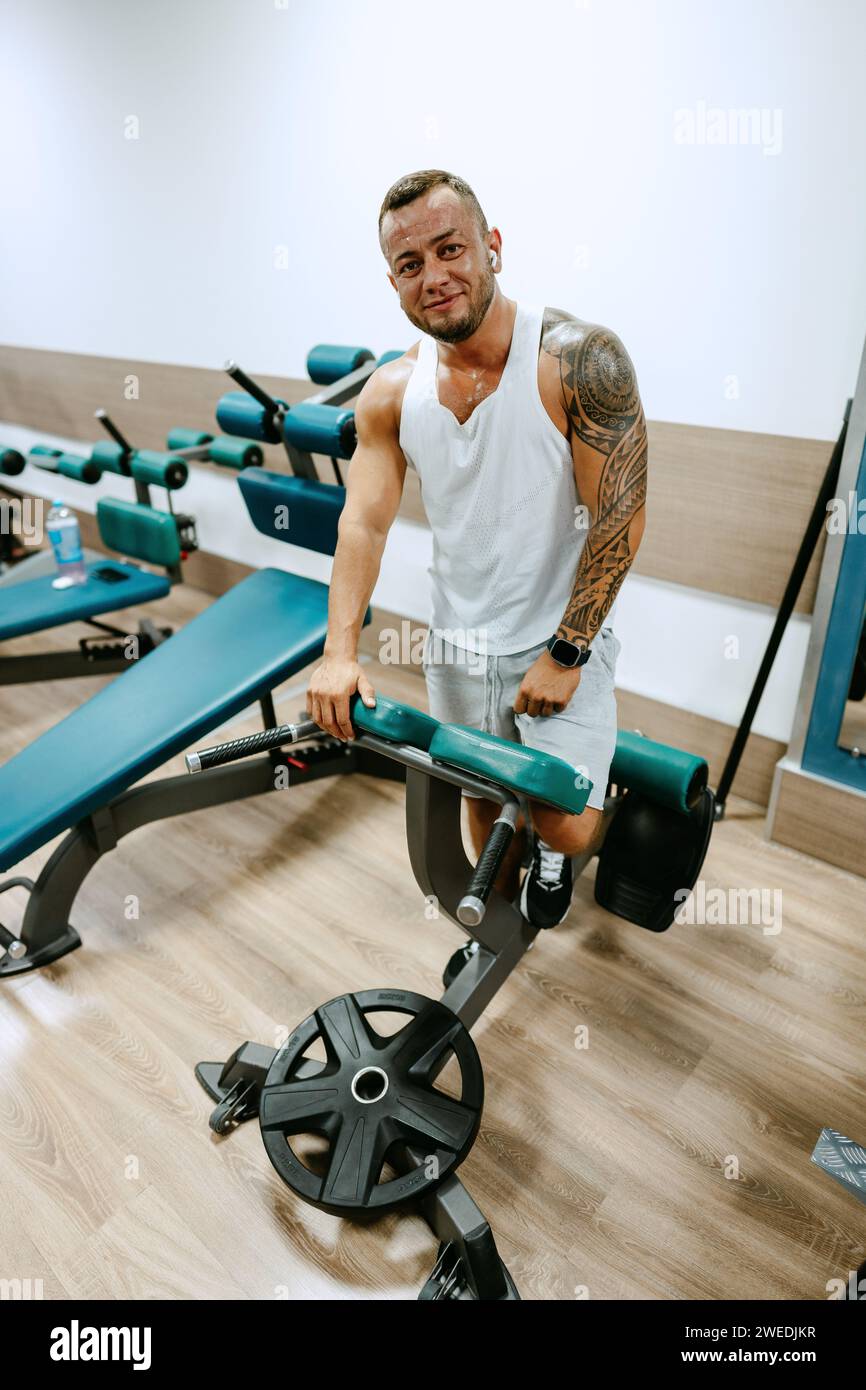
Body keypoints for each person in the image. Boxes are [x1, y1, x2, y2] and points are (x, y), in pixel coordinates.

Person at [307, 169, 647, 928]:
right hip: (457, 644)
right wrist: (339, 651)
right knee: (481, 795)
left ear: (492, 247)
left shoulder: (575, 359)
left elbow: (620, 513)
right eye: (410, 264)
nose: (434, 276)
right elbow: (362, 524)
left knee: (564, 821)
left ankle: (557, 850)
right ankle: (500, 909)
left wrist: (568, 654)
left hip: (556, 638)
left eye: (450, 248)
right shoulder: (393, 391)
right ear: (393, 281)